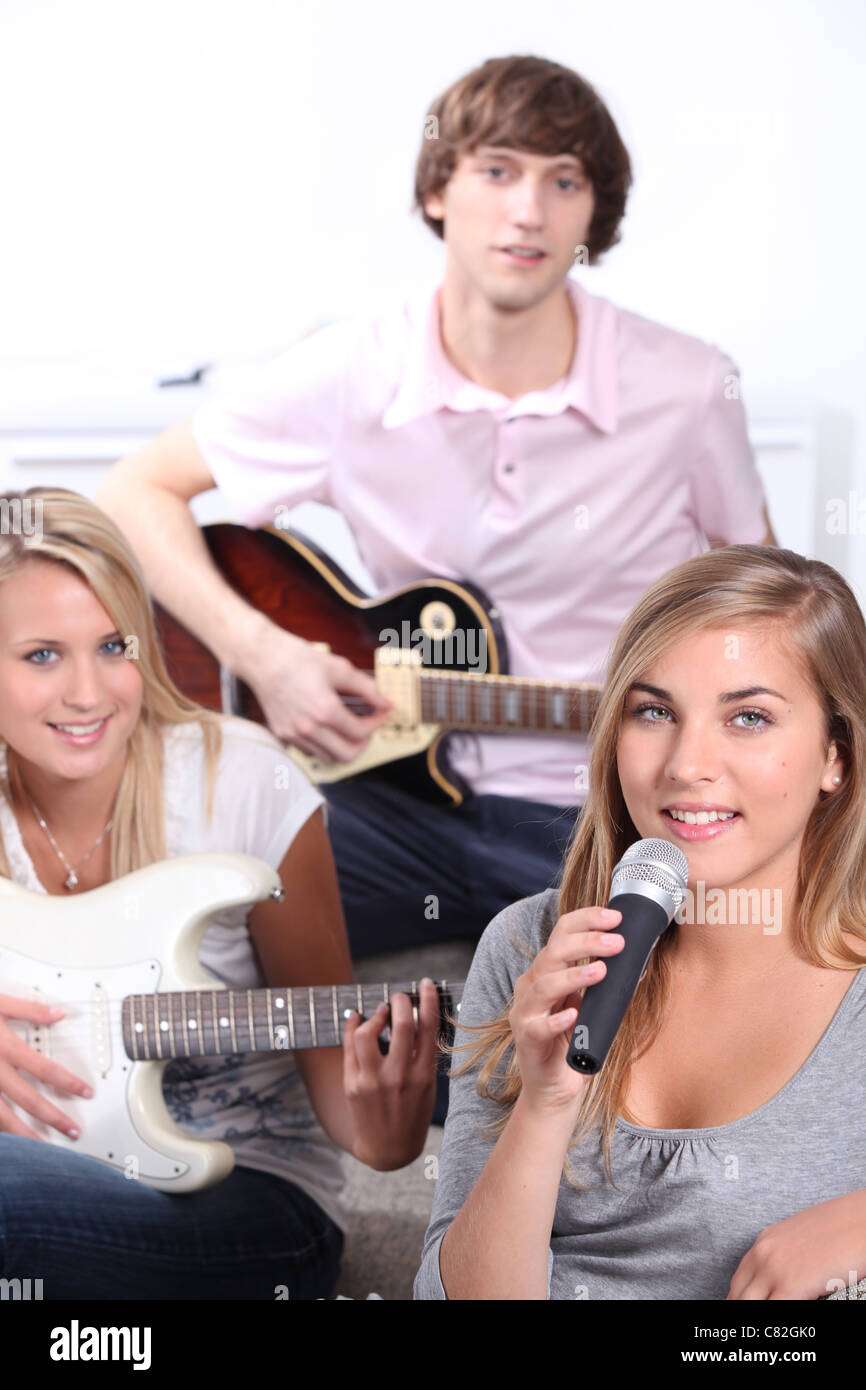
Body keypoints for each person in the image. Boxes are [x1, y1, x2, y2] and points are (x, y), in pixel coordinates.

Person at [95, 53, 775, 1034]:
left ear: (594, 214)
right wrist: (266, 657)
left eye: (564, 180)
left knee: (662, 1022)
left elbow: (766, 614)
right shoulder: (352, 372)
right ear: (436, 189)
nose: (527, 212)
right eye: (496, 170)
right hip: (389, 798)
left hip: (600, 804)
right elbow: (134, 492)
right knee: (176, 945)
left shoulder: (682, 386)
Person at [0, 487, 440, 1301]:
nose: (89, 693)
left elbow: (347, 1102)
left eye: (112, 646)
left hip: (247, 1201)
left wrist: (390, 1133)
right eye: (41, 655)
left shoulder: (242, 784)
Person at [415, 544, 866, 1301]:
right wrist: (545, 1105)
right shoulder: (529, 946)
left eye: (748, 717)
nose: (687, 764)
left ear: (836, 757)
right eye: (654, 712)